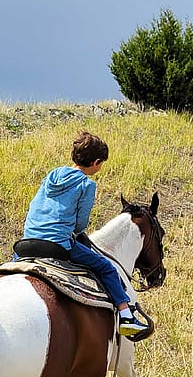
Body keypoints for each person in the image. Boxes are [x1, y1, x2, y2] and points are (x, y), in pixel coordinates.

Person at [21, 130, 148, 335]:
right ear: (96, 162)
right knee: (106, 268)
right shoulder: (86, 184)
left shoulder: (51, 175)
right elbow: (80, 226)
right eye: (101, 164)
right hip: (57, 245)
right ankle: (126, 316)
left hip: (26, 242)